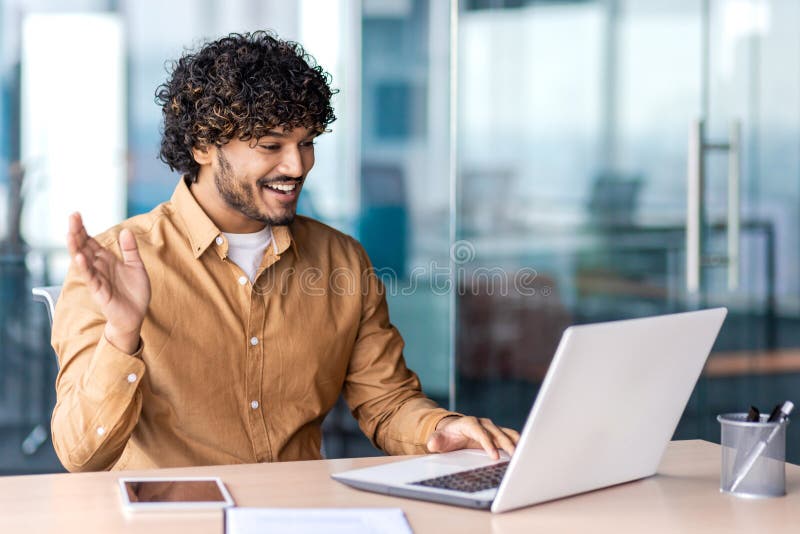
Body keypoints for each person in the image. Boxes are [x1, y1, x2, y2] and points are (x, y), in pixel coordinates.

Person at [51, 31, 519, 472]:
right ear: (202, 147)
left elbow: (387, 401)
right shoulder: (116, 262)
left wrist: (439, 430)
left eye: (307, 143)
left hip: (299, 515)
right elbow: (80, 454)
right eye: (271, 145)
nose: (296, 166)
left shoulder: (342, 260)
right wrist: (122, 333)